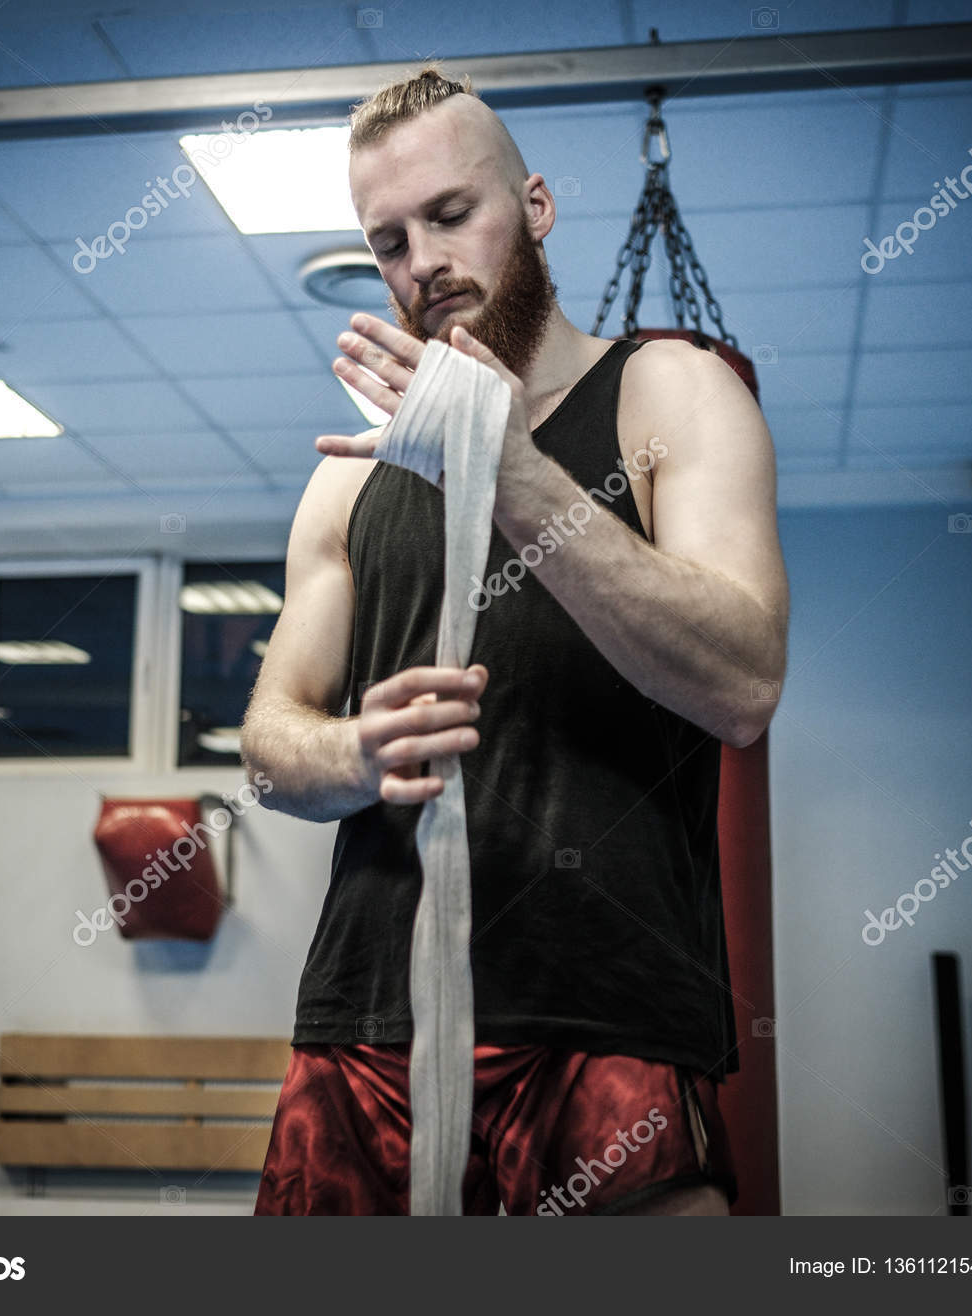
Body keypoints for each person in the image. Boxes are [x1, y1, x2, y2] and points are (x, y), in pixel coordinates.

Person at [240, 63, 788, 1215]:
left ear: (533, 206)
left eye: (451, 214)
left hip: (606, 1015)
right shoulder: (349, 481)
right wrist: (350, 754)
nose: (423, 261)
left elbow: (743, 683)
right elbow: (266, 740)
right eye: (388, 239)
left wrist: (514, 473)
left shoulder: (668, 397)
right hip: (367, 1020)